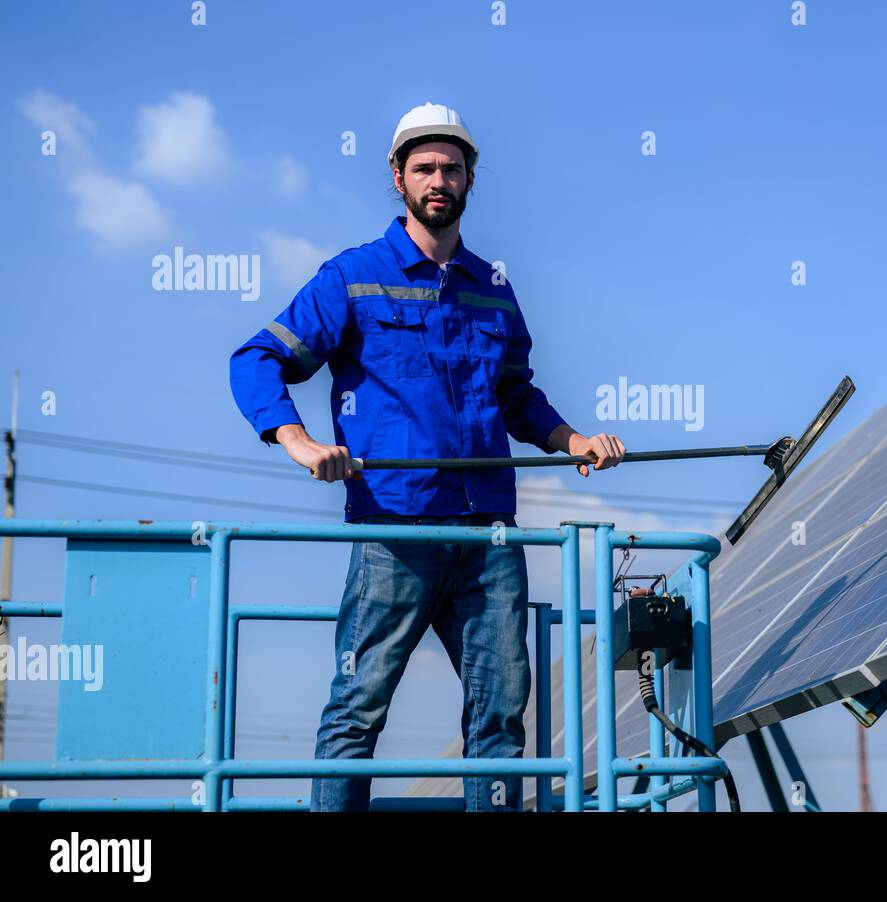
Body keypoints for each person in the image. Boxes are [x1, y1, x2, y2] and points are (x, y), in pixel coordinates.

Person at [229, 102, 625, 811]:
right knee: (358, 710)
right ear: (397, 176)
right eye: (424, 168)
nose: (438, 179)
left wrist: (574, 442)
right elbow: (256, 359)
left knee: (501, 723)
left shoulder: (493, 288)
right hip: (395, 532)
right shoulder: (353, 276)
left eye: (451, 167)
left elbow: (516, 395)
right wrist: (299, 443)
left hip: (491, 538)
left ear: (471, 177)